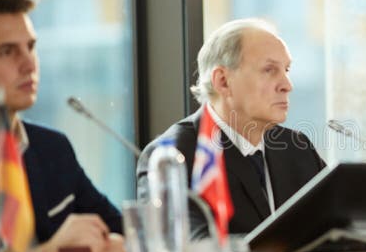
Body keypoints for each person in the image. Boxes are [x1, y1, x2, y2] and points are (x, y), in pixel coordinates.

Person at [0, 0, 124, 252]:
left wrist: (112, 248)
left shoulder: (52, 148)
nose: (29, 64)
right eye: (7, 51)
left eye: (31, 47)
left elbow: (118, 231)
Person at [137, 18, 326, 239]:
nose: (287, 85)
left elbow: (340, 228)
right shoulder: (171, 157)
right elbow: (194, 246)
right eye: (269, 70)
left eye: (286, 70)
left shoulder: (298, 149)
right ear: (223, 81)